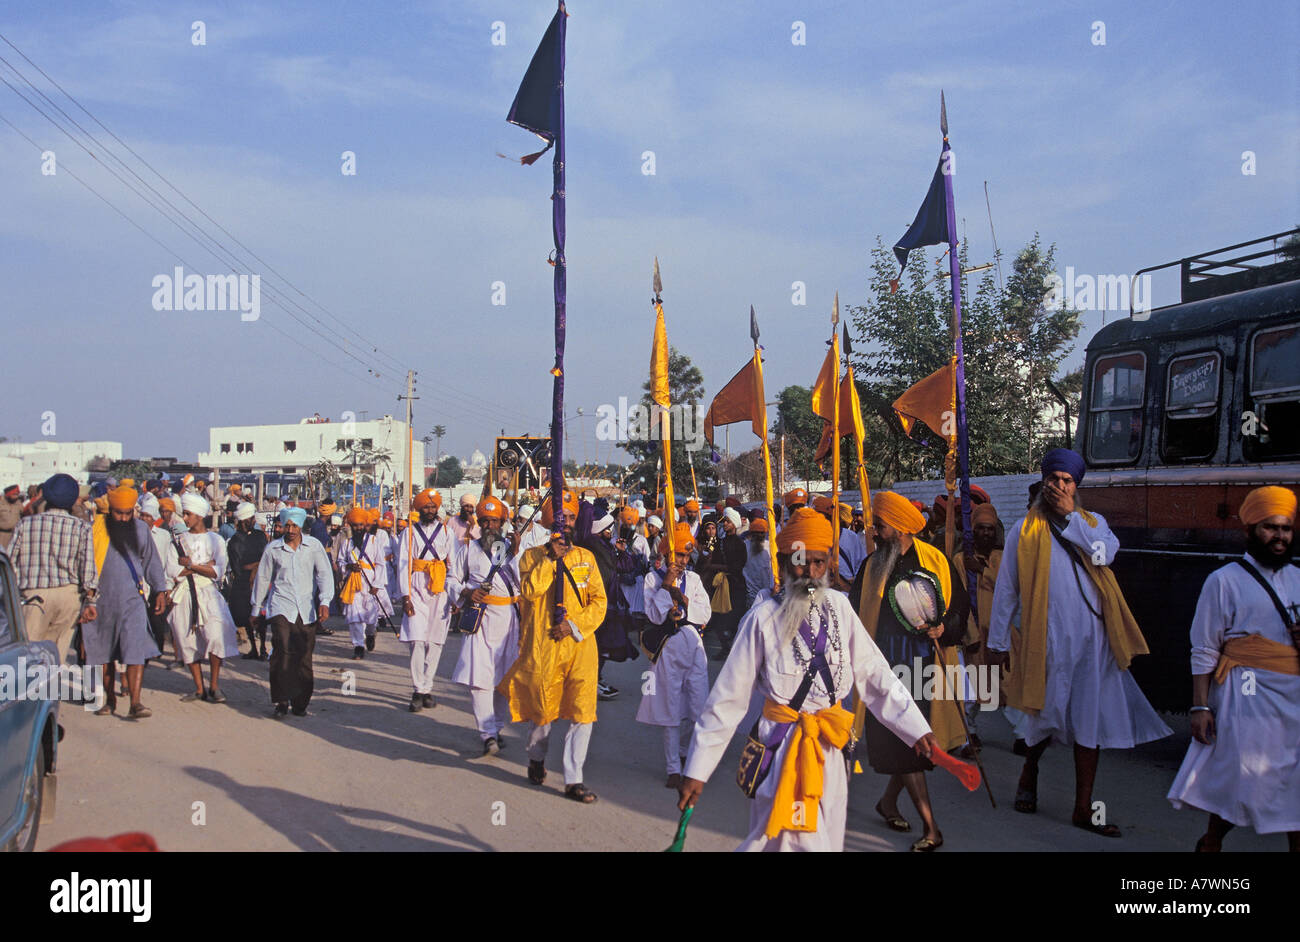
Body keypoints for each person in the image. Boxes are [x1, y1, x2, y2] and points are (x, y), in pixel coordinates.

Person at [676, 507, 935, 851]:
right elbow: (728, 699)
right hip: (782, 750)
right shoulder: (762, 618)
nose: (810, 573)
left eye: (819, 562)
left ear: (829, 563)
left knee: (825, 842)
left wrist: (915, 728)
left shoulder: (841, 608)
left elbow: (875, 675)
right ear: (783, 561)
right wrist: (698, 766)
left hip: (830, 751)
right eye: (801, 561)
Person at [986, 448, 1170, 837]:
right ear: (1043, 483)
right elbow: (1007, 591)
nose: (1058, 486)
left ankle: (1083, 808)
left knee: (1090, 722)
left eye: (1066, 481)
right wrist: (998, 641)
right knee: (1044, 714)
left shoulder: (1092, 522)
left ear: (1076, 486)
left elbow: (1105, 556)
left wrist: (1071, 517)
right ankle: (1029, 771)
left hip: (1094, 646)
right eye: (1053, 479)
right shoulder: (1024, 529)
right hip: (1048, 644)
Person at [1167, 485, 1300, 852]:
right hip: (1247, 692)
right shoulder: (1224, 581)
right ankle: (1211, 843)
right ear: (1250, 530)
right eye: (1270, 528)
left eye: (1286, 529)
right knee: (1242, 783)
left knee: (1295, 789)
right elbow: (1205, 648)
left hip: (1294, 698)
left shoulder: (1298, 580)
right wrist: (1200, 706)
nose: (1279, 536)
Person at [852, 491, 970, 852]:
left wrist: (943, 628)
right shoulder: (871, 565)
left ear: (902, 528)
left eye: (882, 526)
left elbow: (961, 610)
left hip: (925, 663)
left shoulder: (937, 561)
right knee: (905, 742)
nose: (875, 531)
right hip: (883, 664)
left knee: (917, 743)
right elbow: (856, 615)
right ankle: (932, 827)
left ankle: (888, 802)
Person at [499, 490, 608, 802]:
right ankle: (536, 757)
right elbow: (530, 591)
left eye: (572, 517)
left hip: (580, 646)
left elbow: (599, 602)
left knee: (583, 713)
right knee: (543, 713)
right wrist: (550, 558)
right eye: (562, 518)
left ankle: (574, 779)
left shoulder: (586, 558)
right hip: (545, 648)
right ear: (549, 521)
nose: (567, 523)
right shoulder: (532, 557)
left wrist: (574, 626)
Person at [81, 486, 168, 718]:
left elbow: (152, 562)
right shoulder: (95, 530)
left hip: (132, 599)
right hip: (101, 601)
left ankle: (136, 703)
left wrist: (160, 590)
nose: (123, 518)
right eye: (118, 513)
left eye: (127, 513)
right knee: (105, 653)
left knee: (134, 650)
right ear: (111, 511)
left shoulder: (141, 530)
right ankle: (109, 700)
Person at [637, 522, 710, 788]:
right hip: (667, 649)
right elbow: (655, 616)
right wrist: (667, 586)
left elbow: (705, 614)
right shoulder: (652, 580)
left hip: (693, 646)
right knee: (670, 710)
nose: (683, 560)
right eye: (679, 555)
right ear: (667, 555)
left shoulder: (694, 580)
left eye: (687, 556)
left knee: (698, 707)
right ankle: (673, 768)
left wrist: (687, 605)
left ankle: (684, 753)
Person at [451, 494, 521, 752]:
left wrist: (516, 552)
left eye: (495, 521)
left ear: (503, 523)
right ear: (478, 523)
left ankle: (497, 727)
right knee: (479, 679)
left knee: (504, 678)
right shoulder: (468, 549)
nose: (491, 526)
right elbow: (452, 580)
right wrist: (467, 593)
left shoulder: (513, 549)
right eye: (485, 521)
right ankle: (487, 733)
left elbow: (527, 582)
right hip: (480, 620)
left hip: (509, 623)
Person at [251, 507, 334, 717]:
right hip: (281, 605)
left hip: (306, 609)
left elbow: (324, 574)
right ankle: (281, 700)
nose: (290, 529)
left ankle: (300, 702)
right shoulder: (273, 549)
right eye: (286, 525)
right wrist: (256, 607)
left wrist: (324, 601)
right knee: (282, 650)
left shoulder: (313, 546)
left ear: (301, 527)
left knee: (304, 656)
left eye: (294, 525)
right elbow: (263, 578)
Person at [8, 473, 97, 665]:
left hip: (33, 597)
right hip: (68, 596)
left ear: (46, 496)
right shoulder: (82, 527)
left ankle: (32, 693)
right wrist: (90, 601)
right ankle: (50, 693)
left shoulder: (25, 524)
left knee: (29, 656)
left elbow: (10, 565)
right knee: (57, 654)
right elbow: (88, 569)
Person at [165, 493, 241, 703]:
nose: (186, 518)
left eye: (188, 514)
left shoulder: (215, 540)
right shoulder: (178, 541)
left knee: (216, 636)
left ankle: (214, 685)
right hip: (185, 595)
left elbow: (218, 571)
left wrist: (190, 565)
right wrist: (202, 567)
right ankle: (199, 688)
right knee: (187, 640)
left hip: (208, 594)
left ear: (199, 515)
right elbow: (172, 571)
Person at [398, 490, 458, 713]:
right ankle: (417, 689)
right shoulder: (409, 533)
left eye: (433, 507)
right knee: (416, 640)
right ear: (419, 509)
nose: (430, 511)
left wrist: (454, 595)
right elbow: (403, 565)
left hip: (439, 590)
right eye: (426, 507)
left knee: (435, 642)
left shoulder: (447, 532)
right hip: (415, 589)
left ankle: (427, 687)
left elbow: (454, 566)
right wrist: (405, 596)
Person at [952, 502, 1003, 744]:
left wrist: (982, 570)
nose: (985, 533)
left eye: (990, 529)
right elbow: (959, 598)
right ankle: (969, 732)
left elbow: (1009, 589)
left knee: (1010, 686)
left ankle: (1025, 735)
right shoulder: (961, 560)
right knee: (973, 687)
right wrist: (970, 636)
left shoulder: (1002, 558)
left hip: (1000, 634)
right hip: (975, 634)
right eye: (981, 528)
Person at [337, 507, 391, 659]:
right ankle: (358, 646)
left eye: (361, 525)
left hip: (370, 583)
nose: (358, 528)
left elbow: (380, 563)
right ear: (351, 526)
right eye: (355, 525)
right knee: (354, 615)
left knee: (371, 616)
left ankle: (371, 633)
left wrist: (377, 584)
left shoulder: (374, 541)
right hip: (353, 583)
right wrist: (348, 566)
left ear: (365, 525)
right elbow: (341, 561)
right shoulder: (347, 543)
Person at [702, 507, 746, 660]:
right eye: (724, 521)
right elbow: (708, 554)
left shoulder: (740, 543)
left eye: (727, 521)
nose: (725, 524)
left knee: (734, 619)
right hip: (720, 585)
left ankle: (735, 650)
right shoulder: (718, 541)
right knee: (718, 617)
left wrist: (714, 567)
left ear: (734, 524)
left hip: (735, 584)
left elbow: (737, 566)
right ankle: (725, 647)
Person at [226, 503, 269, 659]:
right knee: (246, 616)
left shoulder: (260, 536)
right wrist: (256, 565)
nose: (253, 521)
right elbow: (238, 567)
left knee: (261, 617)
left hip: (260, 581)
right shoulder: (235, 541)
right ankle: (253, 648)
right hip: (243, 585)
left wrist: (255, 566)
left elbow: (266, 559)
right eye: (251, 518)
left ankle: (263, 647)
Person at [741, 516, 774, 610]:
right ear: (751, 533)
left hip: (768, 593)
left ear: (765, 533)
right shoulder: (744, 546)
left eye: (761, 533)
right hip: (751, 593)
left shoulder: (771, 547)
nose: (759, 535)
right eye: (756, 533)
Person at [0, 483, 23, 550]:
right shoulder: (1, 504)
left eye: (17, 494)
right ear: (8, 495)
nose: (16, 496)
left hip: (15, 535)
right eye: (14, 494)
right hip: (2, 535)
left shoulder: (19, 504)